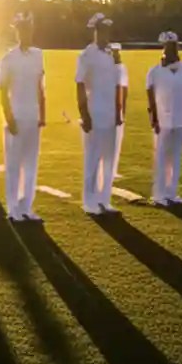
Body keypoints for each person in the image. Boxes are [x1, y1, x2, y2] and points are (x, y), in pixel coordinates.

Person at [0, 12, 46, 222]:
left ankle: (27, 207)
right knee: (14, 165)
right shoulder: (8, 58)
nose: (25, 33)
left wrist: (42, 114)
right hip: (16, 116)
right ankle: (13, 209)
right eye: (21, 29)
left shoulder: (38, 55)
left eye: (28, 29)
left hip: (32, 116)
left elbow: (40, 86)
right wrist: (9, 118)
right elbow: (2, 90)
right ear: (16, 31)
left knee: (31, 163)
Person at [75, 13, 122, 215]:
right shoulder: (87, 54)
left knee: (109, 159)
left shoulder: (111, 55)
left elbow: (116, 84)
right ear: (95, 31)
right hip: (94, 112)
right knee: (92, 159)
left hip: (110, 113)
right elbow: (79, 84)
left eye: (108, 30)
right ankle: (90, 201)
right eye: (102, 30)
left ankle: (105, 200)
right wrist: (84, 114)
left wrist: (118, 112)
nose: (106, 34)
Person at [146, 31, 182, 206]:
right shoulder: (155, 71)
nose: (172, 51)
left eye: (175, 47)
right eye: (169, 47)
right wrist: (154, 118)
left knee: (176, 157)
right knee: (161, 157)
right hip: (162, 120)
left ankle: (172, 192)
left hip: (180, 118)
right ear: (164, 49)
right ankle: (159, 194)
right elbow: (150, 96)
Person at [111, 42, 130, 178]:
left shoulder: (122, 68)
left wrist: (123, 109)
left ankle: (113, 170)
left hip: (119, 107)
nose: (116, 56)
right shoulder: (110, 69)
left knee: (117, 141)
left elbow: (125, 89)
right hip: (110, 108)